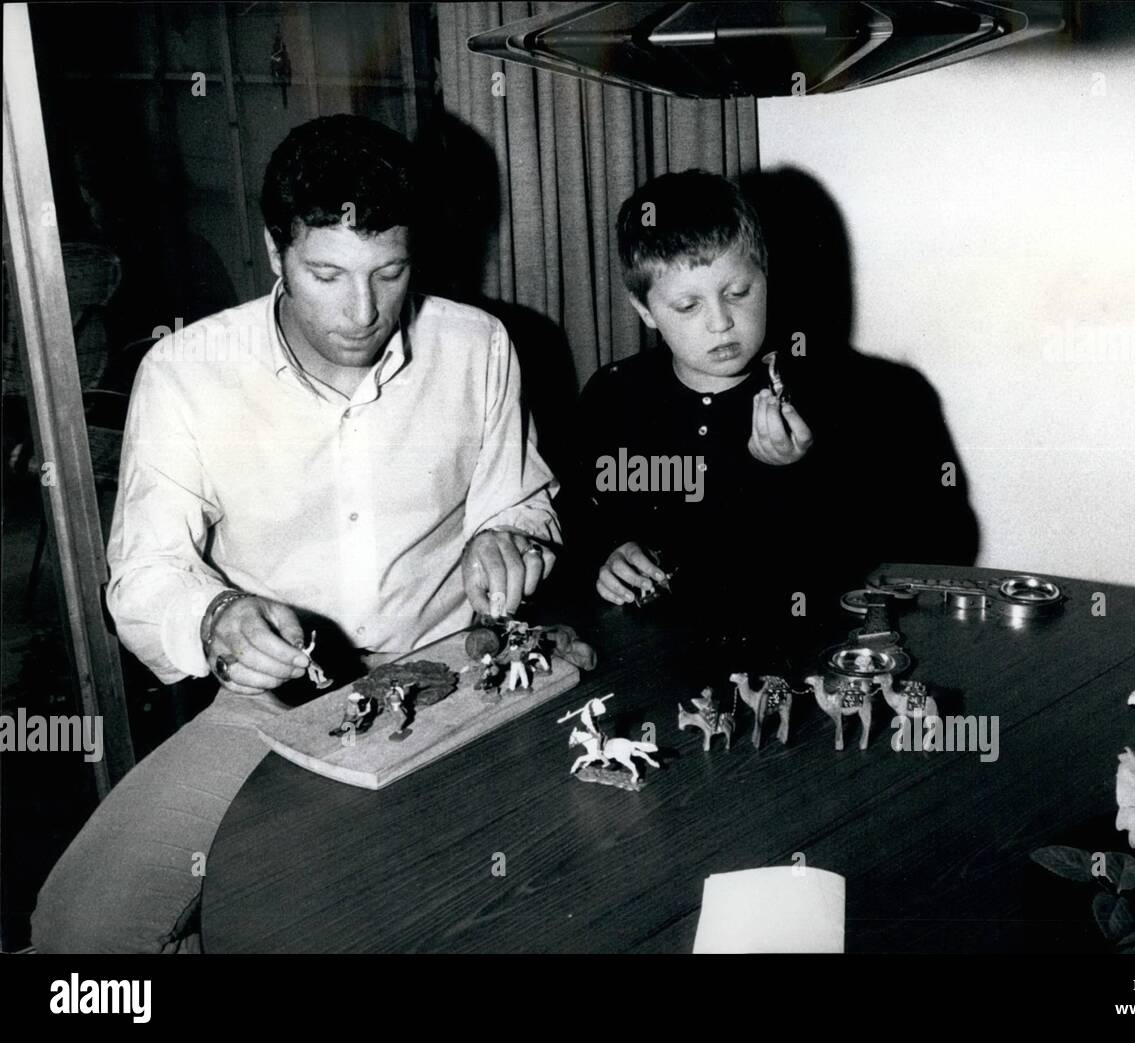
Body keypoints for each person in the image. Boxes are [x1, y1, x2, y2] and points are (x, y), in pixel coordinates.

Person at [32, 115, 560, 953]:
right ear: (276, 254)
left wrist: (510, 537)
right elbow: (143, 573)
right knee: (78, 932)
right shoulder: (185, 374)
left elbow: (523, 504)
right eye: (327, 273)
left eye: (391, 272)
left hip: (458, 683)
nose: (363, 311)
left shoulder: (476, 345)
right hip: (272, 711)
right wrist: (214, 619)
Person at [568, 169, 978, 631]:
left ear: (767, 275)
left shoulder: (857, 395)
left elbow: (933, 551)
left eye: (738, 292)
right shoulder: (614, 394)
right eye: (688, 306)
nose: (721, 322)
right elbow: (576, 517)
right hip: (658, 659)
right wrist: (608, 553)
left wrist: (800, 473)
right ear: (644, 309)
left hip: (811, 649)